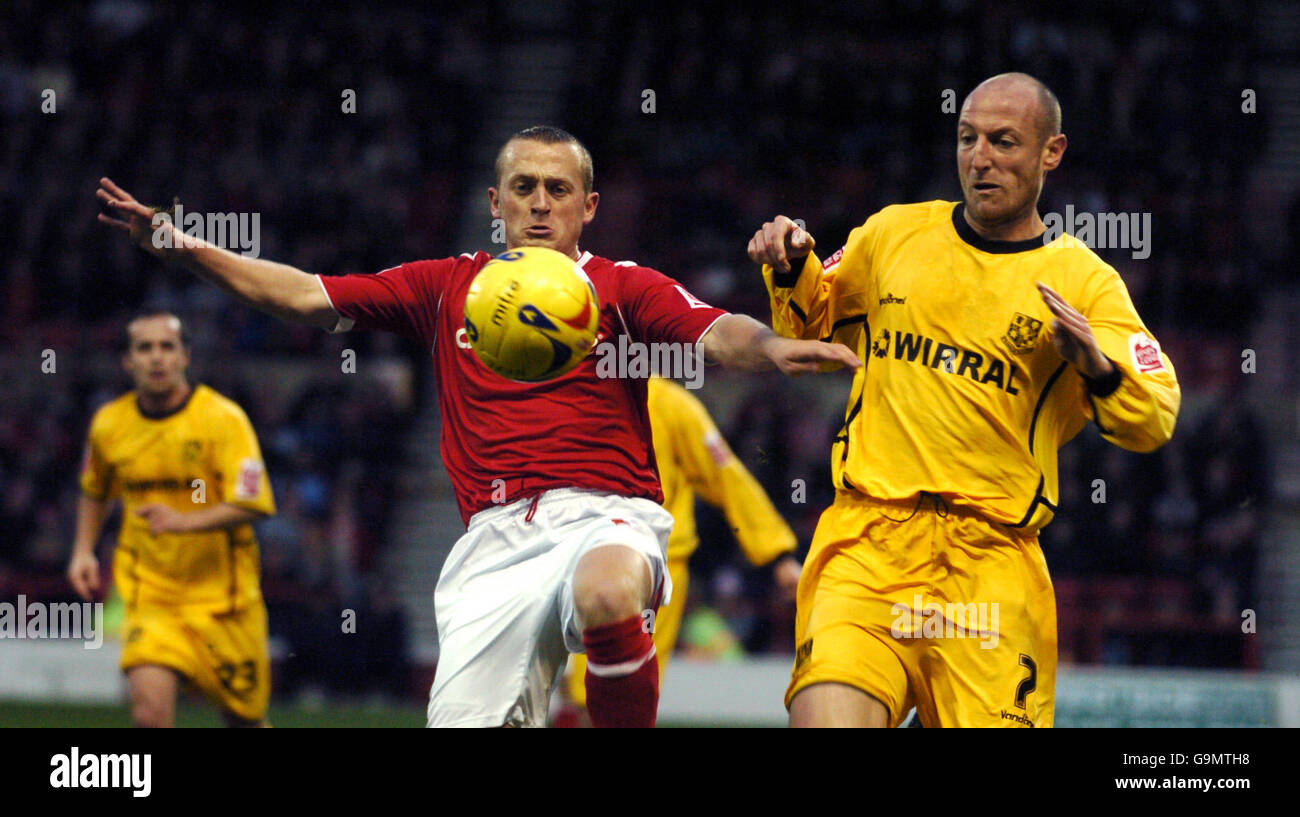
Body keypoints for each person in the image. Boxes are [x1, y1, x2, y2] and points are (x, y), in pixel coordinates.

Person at [96, 126, 860, 728]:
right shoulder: (444, 286)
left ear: (589, 206)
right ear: (495, 202)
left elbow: (714, 330)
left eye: (558, 189)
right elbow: (300, 295)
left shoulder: (621, 286)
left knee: (606, 591)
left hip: (606, 512)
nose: (540, 203)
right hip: (492, 542)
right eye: (523, 187)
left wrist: (771, 346)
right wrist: (176, 242)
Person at [748, 73, 1180, 727]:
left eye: (1003, 142)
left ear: (1051, 152)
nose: (980, 158)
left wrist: (1095, 367)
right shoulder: (892, 235)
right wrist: (789, 266)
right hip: (868, 542)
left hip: (992, 566)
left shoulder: (1085, 282)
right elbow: (809, 325)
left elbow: (1154, 415)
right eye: (967, 138)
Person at [68, 312, 277, 727]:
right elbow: (95, 489)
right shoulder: (110, 424)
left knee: (245, 721)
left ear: (185, 357)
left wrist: (184, 522)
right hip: (151, 596)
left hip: (225, 602)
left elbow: (255, 503)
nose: (156, 357)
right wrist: (82, 550)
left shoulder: (223, 419)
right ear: (128, 361)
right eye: (144, 348)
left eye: (167, 347)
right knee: (149, 716)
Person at [560, 375, 802, 721]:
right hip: (570, 553)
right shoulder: (570, 391)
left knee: (614, 695)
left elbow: (726, 475)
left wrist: (777, 553)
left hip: (652, 568)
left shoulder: (671, 405)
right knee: (570, 692)